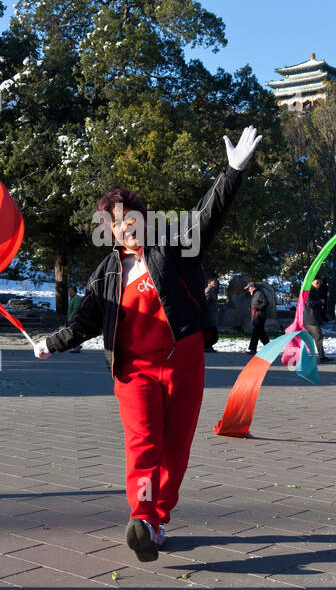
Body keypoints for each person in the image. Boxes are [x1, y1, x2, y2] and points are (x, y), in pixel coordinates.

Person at [34, 126, 261, 562]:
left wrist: (232, 173)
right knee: (143, 442)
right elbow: (84, 321)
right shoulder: (104, 274)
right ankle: (141, 517)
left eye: (131, 220)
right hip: (134, 371)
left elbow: (207, 215)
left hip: (184, 363)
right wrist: (52, 343)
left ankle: (158, 517)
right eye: (116, 225)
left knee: (175, 449)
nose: (125, 229)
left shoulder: (173, 247)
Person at [303, 275, 332, 363]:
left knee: (307, 339)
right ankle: (322, 357)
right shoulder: (310, 291)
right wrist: (320, 302)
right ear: (312, 282)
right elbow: (309, 303)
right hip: (312, 320)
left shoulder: (316, 291)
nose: (319, 284)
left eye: (320, 282)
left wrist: (324, 317)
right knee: (318, 338)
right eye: (317, 282)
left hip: (310, 319)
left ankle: (302, 356)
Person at [247, 281, 273, 353]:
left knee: (255, 333)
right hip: (256, 316)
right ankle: (269, 347)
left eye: (249, 288)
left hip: (260, 316)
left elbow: (266, 303)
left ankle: (253, 349)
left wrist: (257, 307)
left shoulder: (259, 293)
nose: (248, 290)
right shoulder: (254, 294)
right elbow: (256, 303)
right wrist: (251, 307)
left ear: (252, 288)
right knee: (261, 333)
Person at [203, 278, 220, 353]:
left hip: (213, 315)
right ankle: (207, 346)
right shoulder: (208, 291)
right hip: (210, 316)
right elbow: (205, 303)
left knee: (213, 332)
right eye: (214, 281)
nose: (216, 283)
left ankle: (209, 346)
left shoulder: (212, 290)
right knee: (211, 332)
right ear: (210, 282)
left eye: (216, 281)